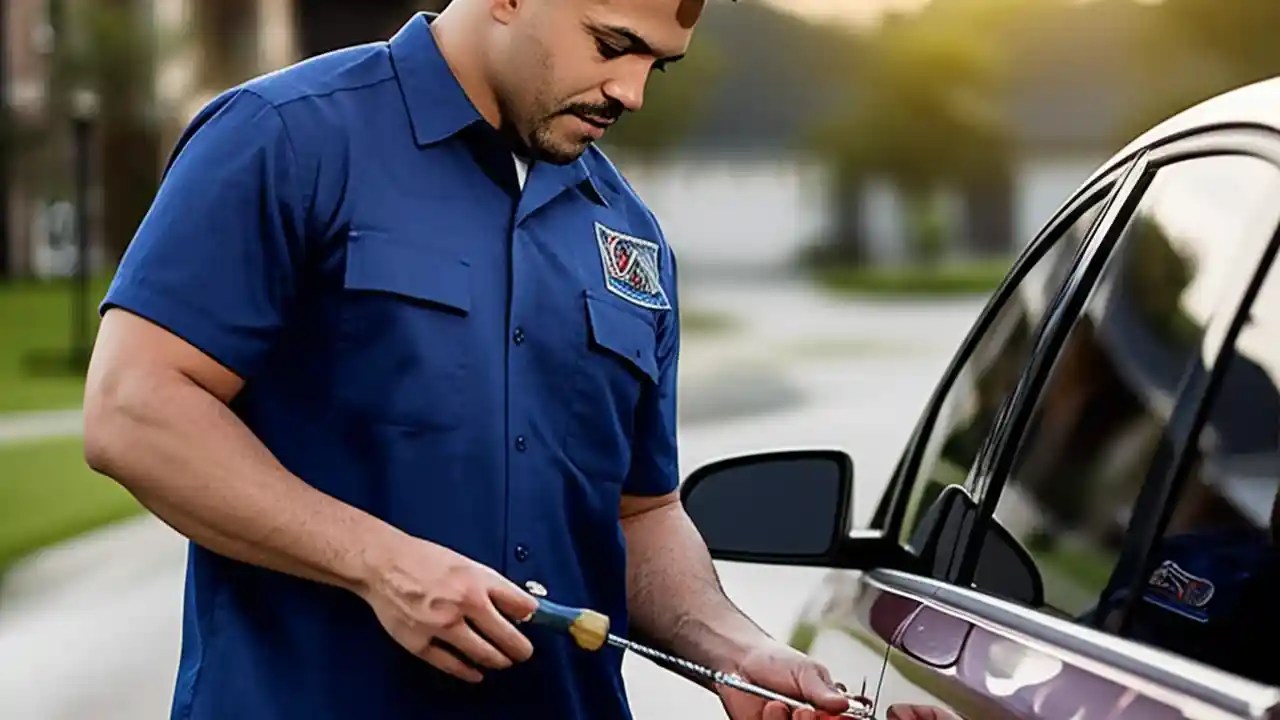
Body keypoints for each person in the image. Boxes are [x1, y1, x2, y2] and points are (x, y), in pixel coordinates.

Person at [82, 1, 852, 719]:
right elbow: (134, 408)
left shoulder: (631, 237)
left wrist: (738, 653)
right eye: (613, 46)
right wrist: (381, 565)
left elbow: (639, 512)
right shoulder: (284, 136)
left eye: (659, 63)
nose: (632, 91)